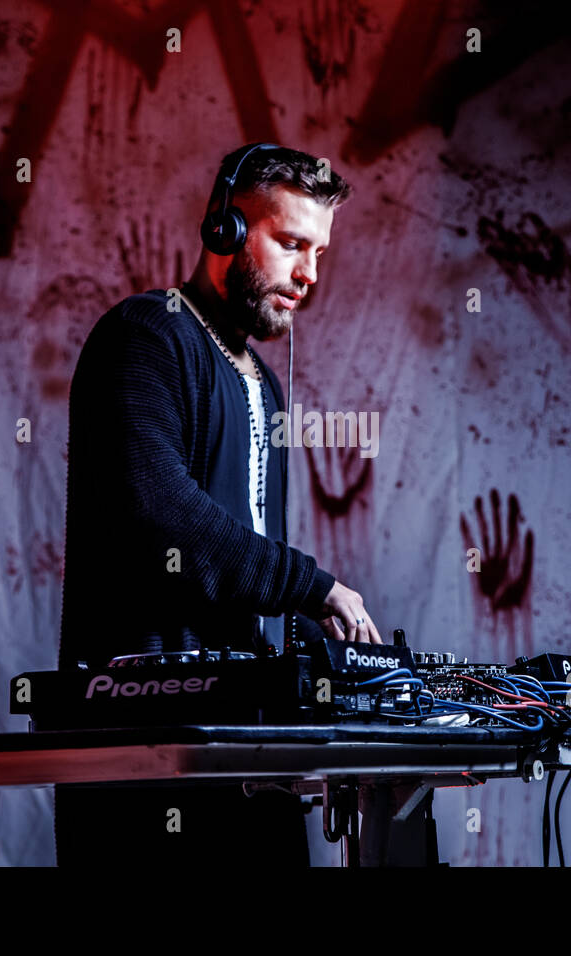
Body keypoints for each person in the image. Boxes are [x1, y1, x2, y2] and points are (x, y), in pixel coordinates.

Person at [53, 143, 382, 866]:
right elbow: (162, 518)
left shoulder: (263, 385)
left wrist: (329, 666)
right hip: (147, 752)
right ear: (224, 230)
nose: (308, 274)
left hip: (239, 751)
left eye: (319, 252)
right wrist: (315, 585)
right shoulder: (146, 337)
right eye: (292, 243)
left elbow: (247, 552)